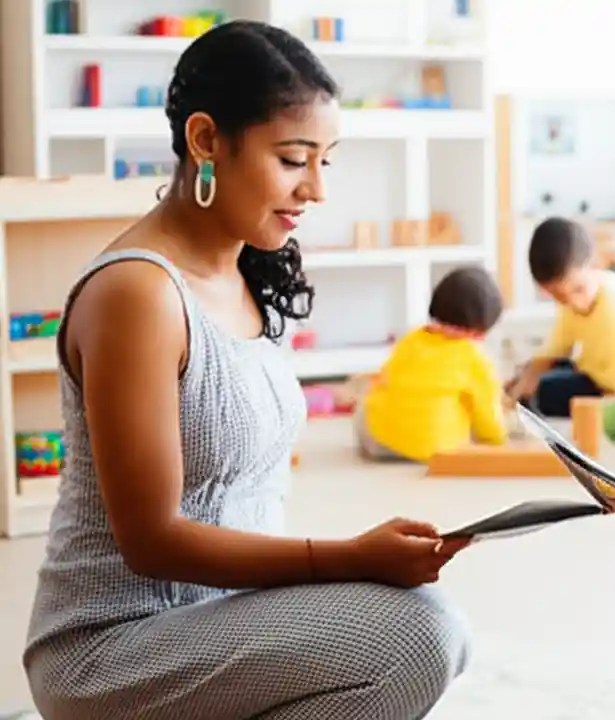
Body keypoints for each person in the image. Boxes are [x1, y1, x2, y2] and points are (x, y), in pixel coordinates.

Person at [24, 21, 470, 720]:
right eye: (294, 159)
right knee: (416, 636)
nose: (316, 189)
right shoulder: (138, 294)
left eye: (327, 160)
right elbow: (152, 541)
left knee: (432, 623)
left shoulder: (249, 273)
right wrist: (347, 557)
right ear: (206, 141)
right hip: (112, 646)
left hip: (217, 620)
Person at [505, 216, 615, 417]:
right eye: (559, 297)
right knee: (532, 373)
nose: (574, 303)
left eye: (578, 289)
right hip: (594, 374)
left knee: (546, 392)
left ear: (596, 265)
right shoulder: (571, 302)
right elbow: (553, 351)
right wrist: (522, 385)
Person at [357, 265, 507, 462]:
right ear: (479, 331)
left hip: (381, 444)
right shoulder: (474, 358)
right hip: (437, 449)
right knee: (467, 405)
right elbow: (489, 417)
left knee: (364, 405)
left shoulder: (410, 340)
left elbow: (384, 381)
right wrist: (496, 439)